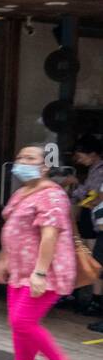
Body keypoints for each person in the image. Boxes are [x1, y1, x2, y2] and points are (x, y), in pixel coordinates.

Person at [0, 145, 89, 360]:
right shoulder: (22, 192)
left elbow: (50, 235)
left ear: (44, 166)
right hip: (19, 268)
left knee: (23, 322)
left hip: (45, 271)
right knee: (18, 326)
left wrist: (40, 274)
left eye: (30, 158)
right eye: (20, 157)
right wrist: (2, 260)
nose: (23, 162)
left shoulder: (52, 195)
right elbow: (13, 229)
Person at [66, 135, 103, 326]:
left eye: (81, 156)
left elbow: (94, 196)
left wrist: (79, 198)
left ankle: (96, 300)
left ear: (93, 154)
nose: (80, 161)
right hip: (95, 221)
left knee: (96, 262)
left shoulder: (100, 171)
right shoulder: (94, 170)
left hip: (98, 221)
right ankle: (94, 299)